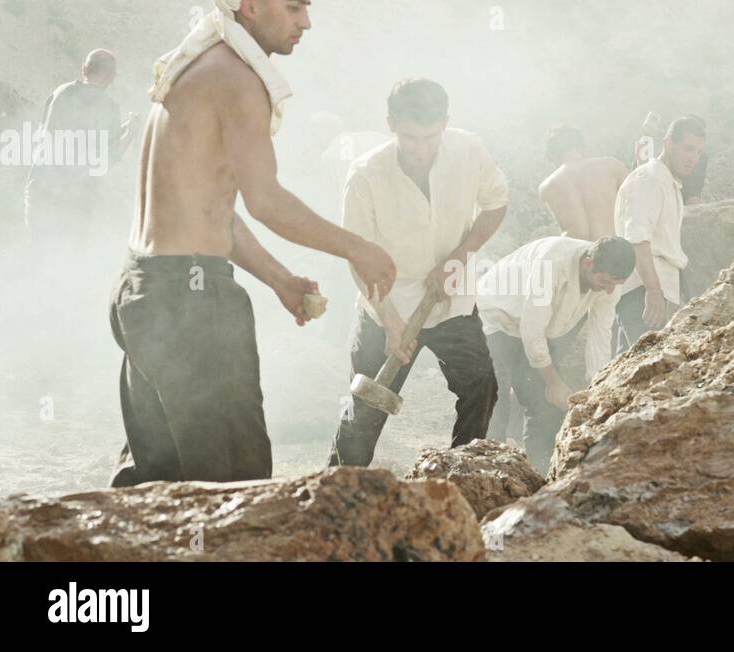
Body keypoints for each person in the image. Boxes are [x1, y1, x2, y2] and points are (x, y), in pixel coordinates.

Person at [108, 0, 396, 487]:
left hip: (145, 291)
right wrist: (357, 248)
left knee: (157, 481)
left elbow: (212, 209)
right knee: (228, 486)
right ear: (249, 6)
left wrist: (280, 279)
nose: (306, 21)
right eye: (293, 7)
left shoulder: (196, 64)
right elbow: (265, 201)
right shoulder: (237, 79)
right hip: (190, 305)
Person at [329, 78, 509, 468]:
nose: (421, 150)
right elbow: (358, 256)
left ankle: (462, 475)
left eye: (431, 137)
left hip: (451, 302)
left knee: (482, 387)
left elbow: (496, 204)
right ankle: (338, 495)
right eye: (410, 138)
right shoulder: (365, 175)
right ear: (391, 123)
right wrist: (391, 322)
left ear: (446, 122)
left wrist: (459, 257)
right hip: (385, 305)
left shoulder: (470, 150)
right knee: (364, 412)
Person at [479, 236, 635, 473]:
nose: (610, 289)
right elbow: (532, 329)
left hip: (535, 329)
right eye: (605, 281)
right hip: (496, 319)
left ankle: (538, 474)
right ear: (588, 263)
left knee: (546, 406)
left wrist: (597, 389)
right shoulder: (551, 264)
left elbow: (600, 335)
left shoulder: (608, 284)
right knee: (494, 396)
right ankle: (486, 472)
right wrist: (553, 382)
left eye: (616, 283)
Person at [23, 49, 139, 244]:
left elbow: (57, 134)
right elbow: (104, 161)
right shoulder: (108, 107)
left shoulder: (59, 92)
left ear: (84, 69)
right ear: (111, 77)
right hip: (72, 202)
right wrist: (131, 134)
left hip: (39, 191)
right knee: (65, 260)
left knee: (38, 255)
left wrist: (123, 129)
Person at [615, 116, 705, 350]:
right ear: (668, 144)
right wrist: (654, 291)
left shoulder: (669, 182)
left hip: (660, 288)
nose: (693, 158)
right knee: (648, 366)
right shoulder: (650, 178)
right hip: (644, 290)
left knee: (638, 369)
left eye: (697, 152)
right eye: (688, 149)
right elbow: (637, 238)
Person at [538, 126, 629, 241]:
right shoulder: (613, 166)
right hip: (615, 249)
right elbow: (635, 209)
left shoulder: (546, 187)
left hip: (578, 255)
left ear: (551, 155)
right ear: (581, 147)